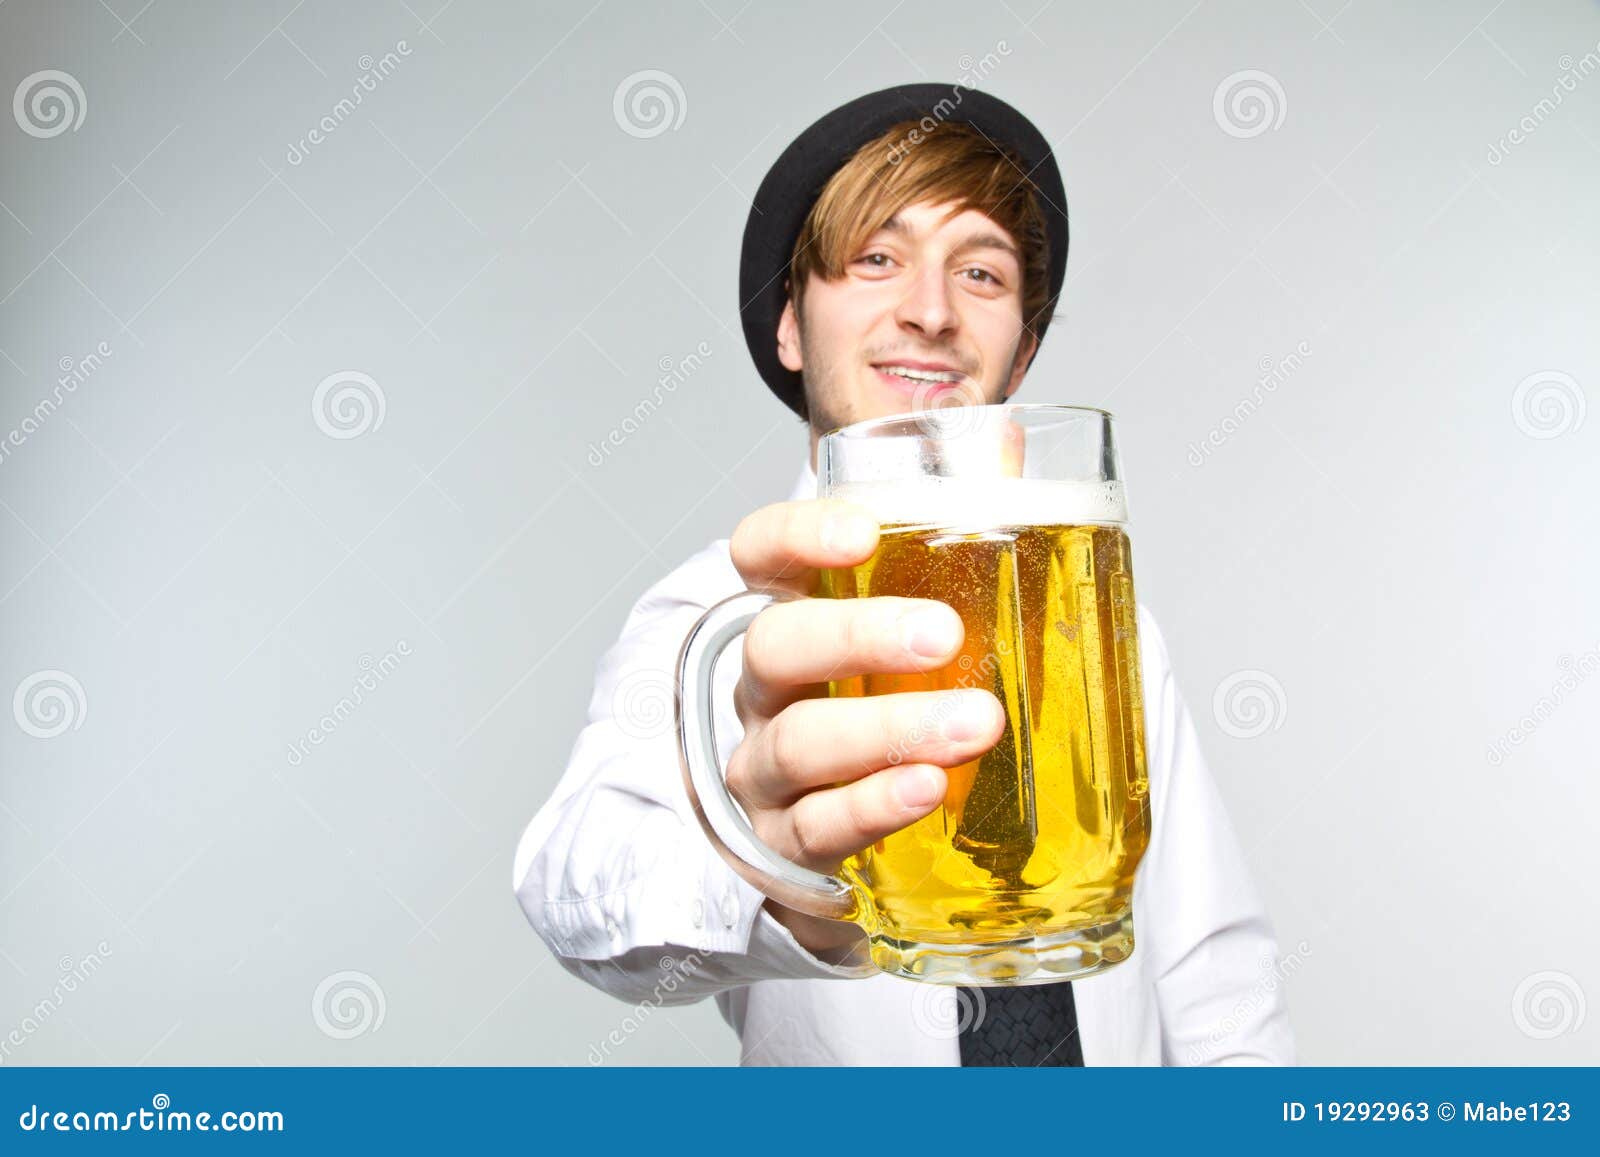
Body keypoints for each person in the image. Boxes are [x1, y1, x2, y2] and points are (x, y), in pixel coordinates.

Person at [513, 84, 1296, 1066]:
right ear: (790, 328)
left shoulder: (1097, 618)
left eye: (981, 272)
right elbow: (568, 880)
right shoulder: (724, 610)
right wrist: (768, 873)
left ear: (1022, 354)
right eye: (875, 258)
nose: (930, 310)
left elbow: (1212, 969)